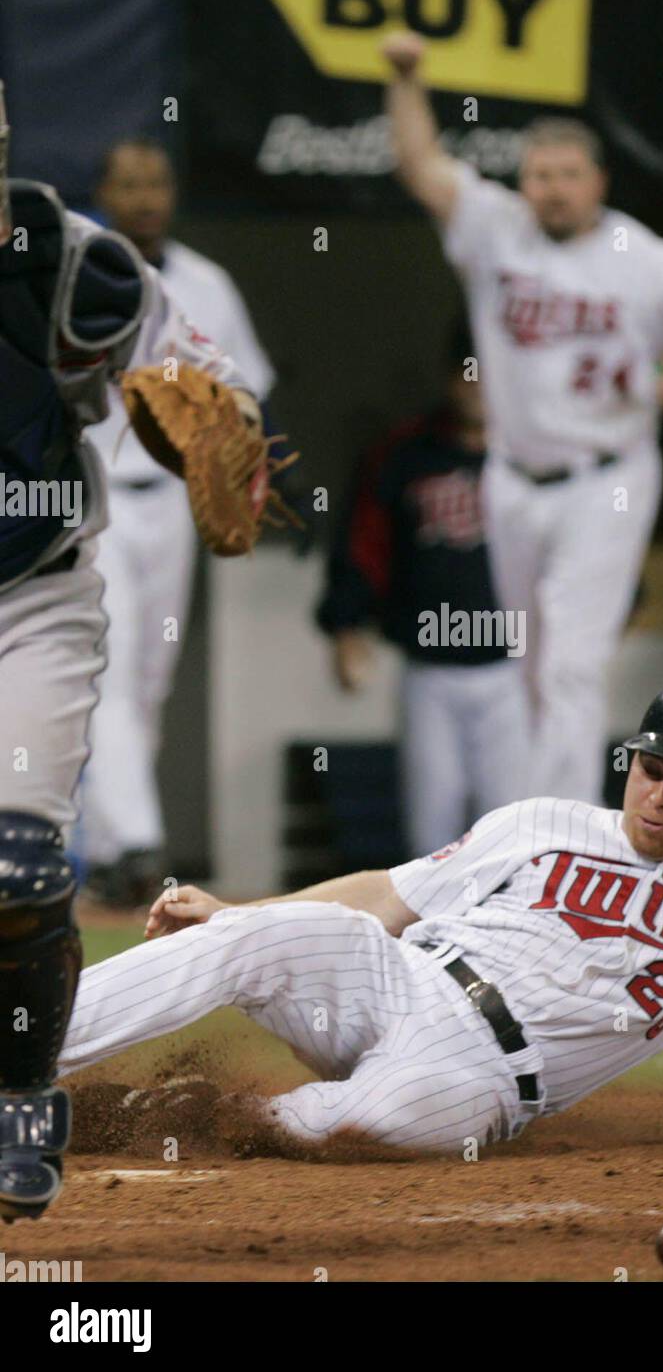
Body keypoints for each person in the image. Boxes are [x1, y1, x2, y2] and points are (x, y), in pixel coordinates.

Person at [57, 682, 663, 1158]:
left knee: (369, 1123)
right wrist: (235, 911)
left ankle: (194, 1117)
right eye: (649, 767)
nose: (657, 791)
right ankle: (25, 1060)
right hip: (397, 974)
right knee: (241, 939)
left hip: (484, 1071)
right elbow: (385, 896)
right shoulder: (541, 821)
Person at [379, 31, 663, 806]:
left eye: (567, 175)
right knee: (529, 664)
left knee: (568, 665)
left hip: (606, 477)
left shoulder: (644, 258)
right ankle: (544, 822)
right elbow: (420, 168)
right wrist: (405, 79)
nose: (551, 189)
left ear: (598, 180)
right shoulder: (497, 229)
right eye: (538, 175)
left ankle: (553, 838)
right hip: (512, 477)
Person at [0, 83, 262, 1221]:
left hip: (29, 596)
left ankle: (18, 1097)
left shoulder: (65, 258)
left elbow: (197, 366)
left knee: (17, 869)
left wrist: (219, 427)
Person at [79, 138, 276, 908]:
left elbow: (247, 390)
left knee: (147, 687)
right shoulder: (78, 271)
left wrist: (241, 474)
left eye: (156, 182)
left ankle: (109, 853)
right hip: (94, 502)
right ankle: (136, 841)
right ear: (103, 191)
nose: (144, 197)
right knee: (112, 670)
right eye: (127, 184)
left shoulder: (206, 284)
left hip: (172, 499)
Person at [316, 334, 528, 856]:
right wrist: (346, 626)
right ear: (450, 377)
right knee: (431, 833)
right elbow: (363, 546)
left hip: (516, 669)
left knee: (516, 833)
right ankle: (429, 939)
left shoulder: (536, 454)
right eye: (467, 372)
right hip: (430, 667)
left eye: (488, 372)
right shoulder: (405, 454)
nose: (477, 387)